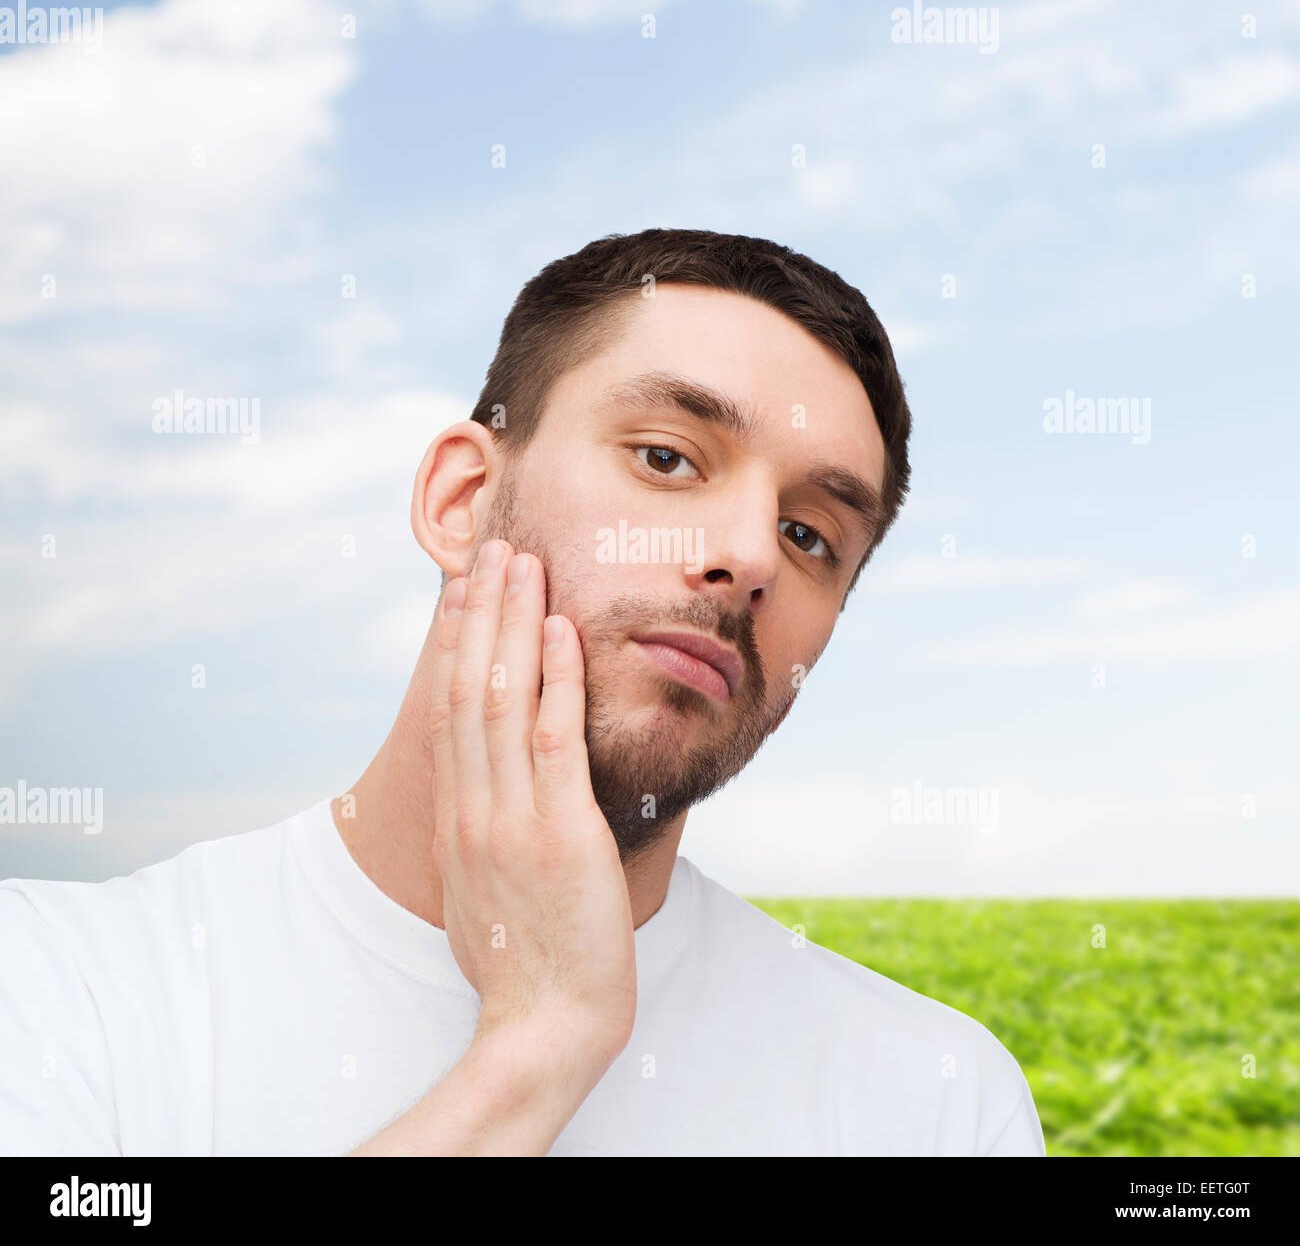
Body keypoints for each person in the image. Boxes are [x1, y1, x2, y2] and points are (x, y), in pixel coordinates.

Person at [0, 229, 1045, 1156]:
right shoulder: (60, 990)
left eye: (810, 534)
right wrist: (539, 1043)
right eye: (669, 459)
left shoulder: (936, 1102)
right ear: (462, 499)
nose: (746, 556)